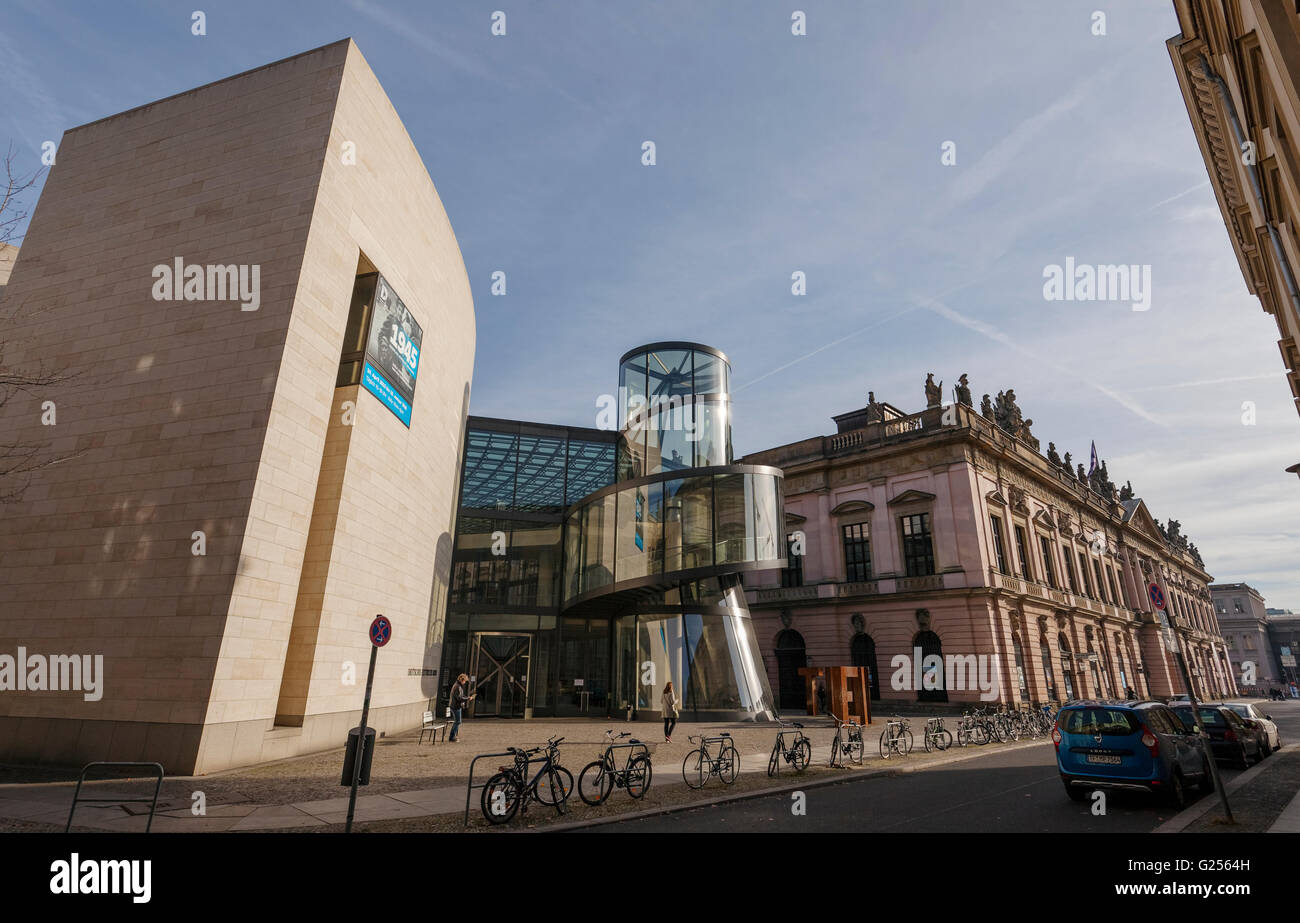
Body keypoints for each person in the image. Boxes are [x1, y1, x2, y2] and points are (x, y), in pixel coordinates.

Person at [448, 674, 474, 743]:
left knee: (457, 722)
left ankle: (453, 736)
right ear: (462, 680)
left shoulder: (458, 685)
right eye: (465, 681)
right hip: (456, 706)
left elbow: (461, 696)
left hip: (455, 706)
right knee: (457, 722)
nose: (465, 682)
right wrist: (468, 698)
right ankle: (452, 737)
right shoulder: (457, 686)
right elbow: (459, 698)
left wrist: (467, 697)